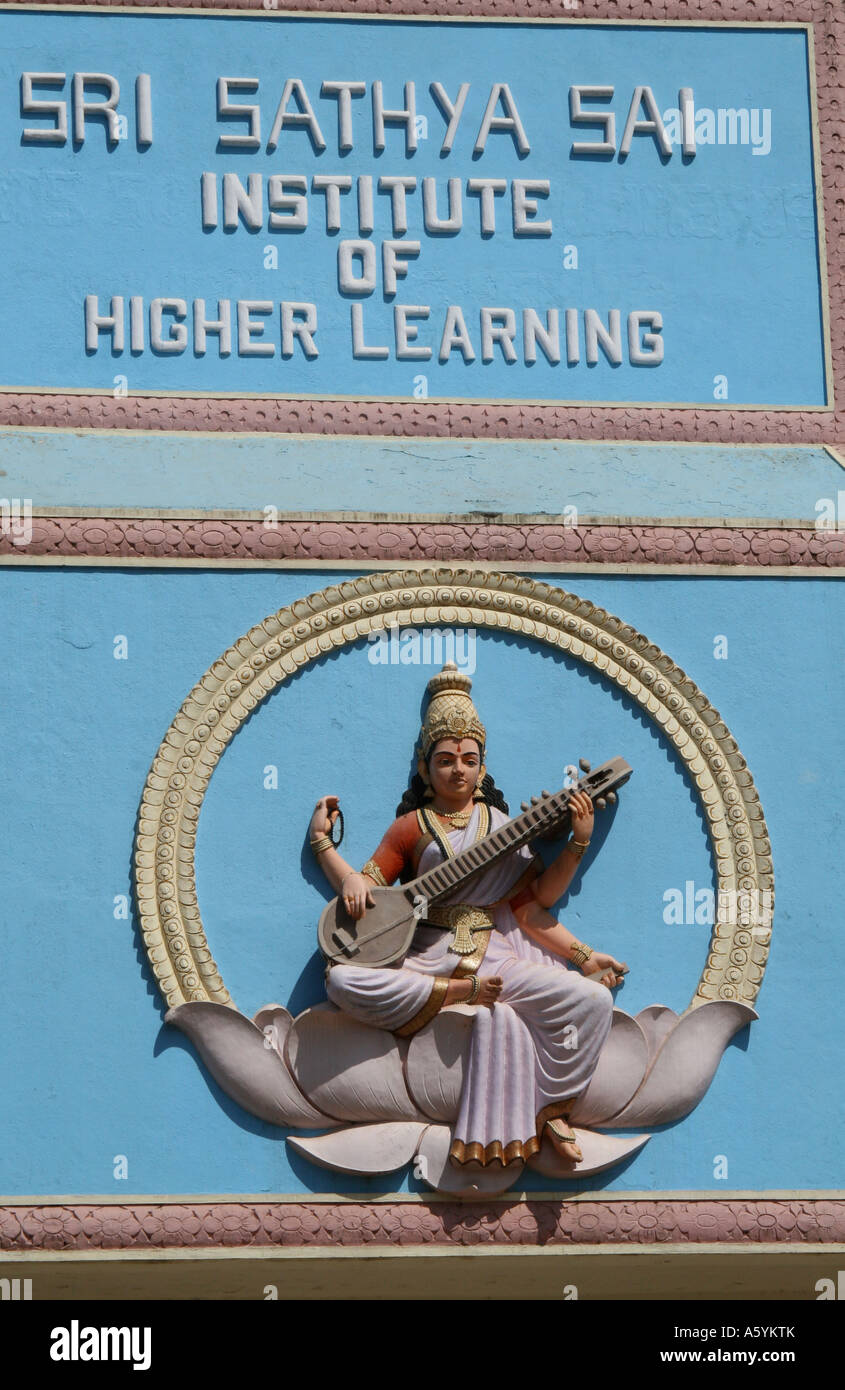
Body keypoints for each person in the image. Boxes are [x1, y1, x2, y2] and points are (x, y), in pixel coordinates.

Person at [308, 662, 627, 1167]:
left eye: (470, 759)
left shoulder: (503, 827)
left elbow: (531, 908)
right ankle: (453, 995)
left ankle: (548, 1106)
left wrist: (584, 949)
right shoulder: (411, 827)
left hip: (496, 960)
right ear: (424, 767)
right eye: (446, 760)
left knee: (591, 1002)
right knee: (342, 982)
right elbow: (370, 892)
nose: (459, 769)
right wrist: (329, 851)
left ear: (482, 766)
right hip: (423, 957)